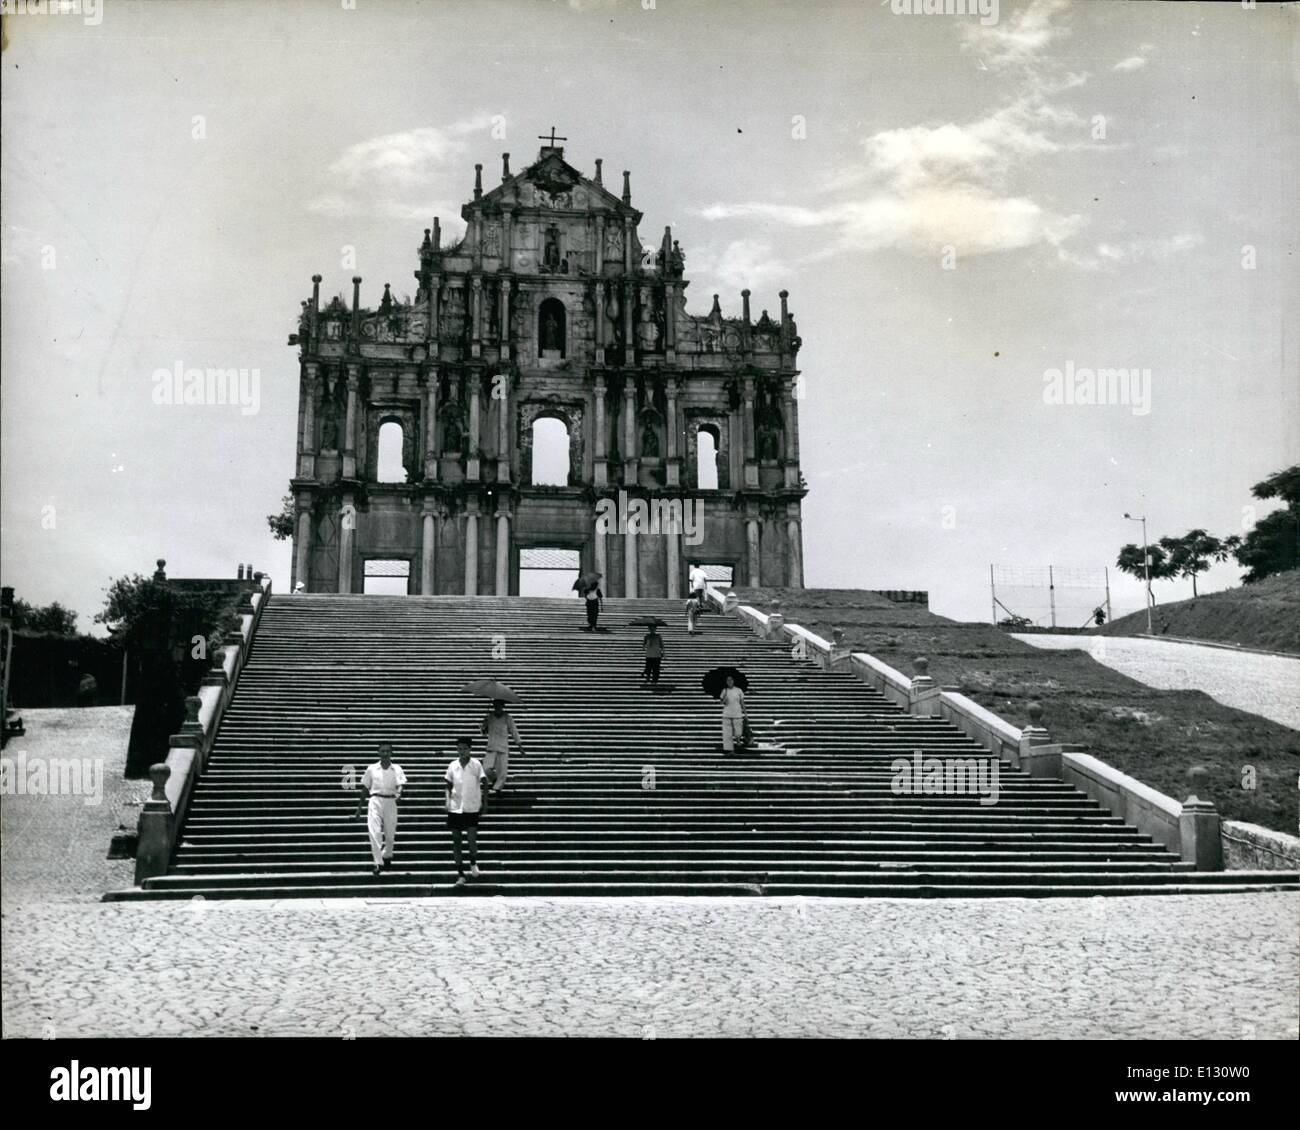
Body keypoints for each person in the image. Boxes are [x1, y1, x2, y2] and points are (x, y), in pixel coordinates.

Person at [352, 741, 407, 875]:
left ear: (391, 752)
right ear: (378, 752)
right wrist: (359, 809)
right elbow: (365, 788)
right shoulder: (371, 769)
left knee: (390, 833)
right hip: (375, 801)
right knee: (374, 832)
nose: (385, 754)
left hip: (390, 801)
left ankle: (387, 855)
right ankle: (378, 862)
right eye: (383, 751)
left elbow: (401, 784)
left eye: (388, 751)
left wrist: (399, 792)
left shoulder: (397, 768)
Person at [445, 737, 488, 883]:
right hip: (455, 807)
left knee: (471, 839)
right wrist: (447, 800)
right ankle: (460, 873)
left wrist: (484, 802)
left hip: (472, 806)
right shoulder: (452, 765)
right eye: (459, 749)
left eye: (464, 748)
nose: (462, 751)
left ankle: (473, 861)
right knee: (456, 840)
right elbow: (448, 784)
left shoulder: (476, 764)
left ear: (469, 749)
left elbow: (485, 782)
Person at [481, 699, 524, 793]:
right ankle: (494, 780)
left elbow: (514, 732)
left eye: (499, 706)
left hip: (503, 747)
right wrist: (483, 725)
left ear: (503, 706)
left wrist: (519, 746)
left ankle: (497, 789)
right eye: (495, 706)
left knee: (502, 772)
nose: (497, 708)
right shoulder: (490, 717)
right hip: (491, 747)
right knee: (485, 768)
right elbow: (484, 733)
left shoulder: (508, 718)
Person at [719, 674, 746, 753]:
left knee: (738, 732)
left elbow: (742, 702)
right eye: (728, 680)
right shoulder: (724, 690)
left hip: (737, 713)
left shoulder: (738, 690)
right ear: (726, 682)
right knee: (728, 733)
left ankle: (737, 739)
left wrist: (745, 713)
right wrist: (724, 700)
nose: (730, 681)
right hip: (727, 714)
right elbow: (721, 703)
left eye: (731, 680)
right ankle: (730, 750)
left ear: (733, 681)